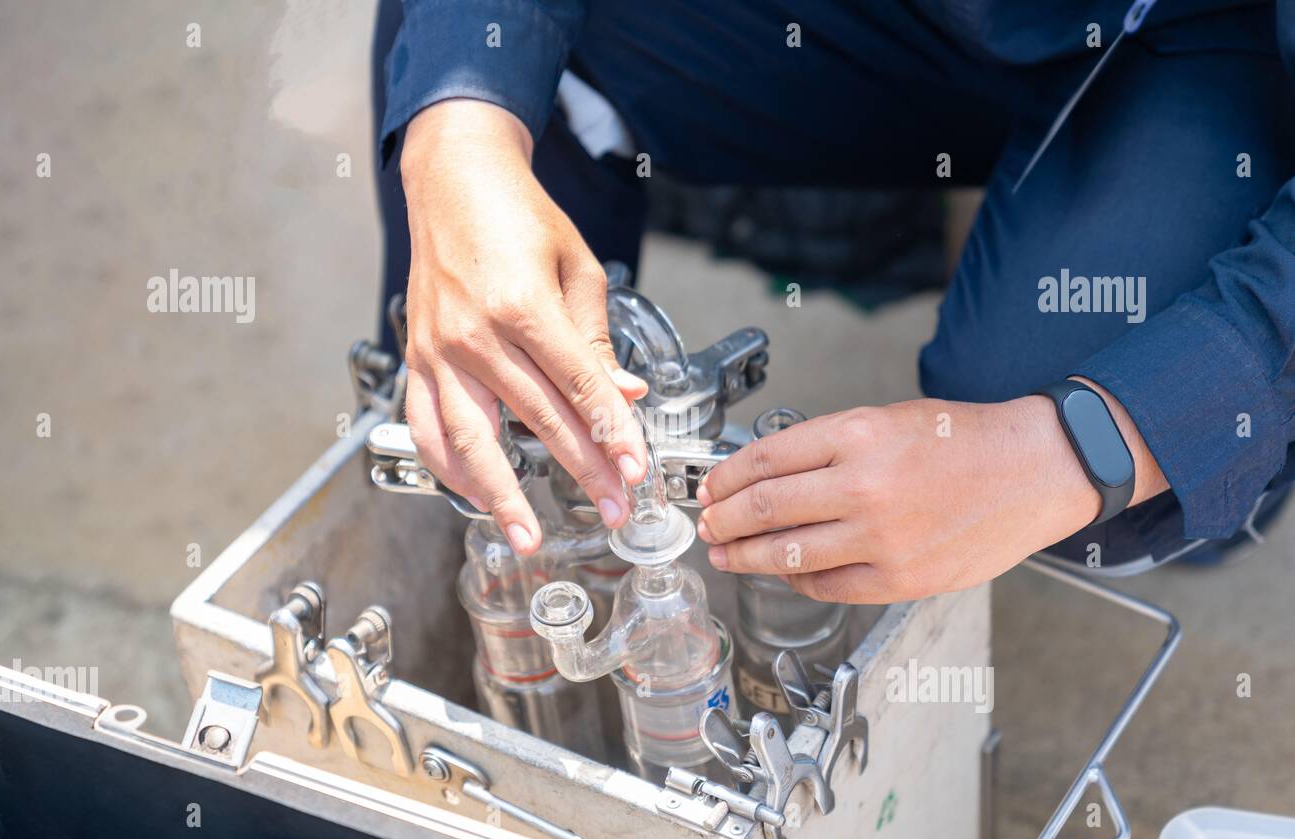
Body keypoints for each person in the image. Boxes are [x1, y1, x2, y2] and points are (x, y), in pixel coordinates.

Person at [371, 0, 1295, 604]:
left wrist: (1082, 449)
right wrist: (460, 128)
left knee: (1059, 417)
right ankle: (473, 469)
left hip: (1213, 37)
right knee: (481, 61)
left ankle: (1097, 248)